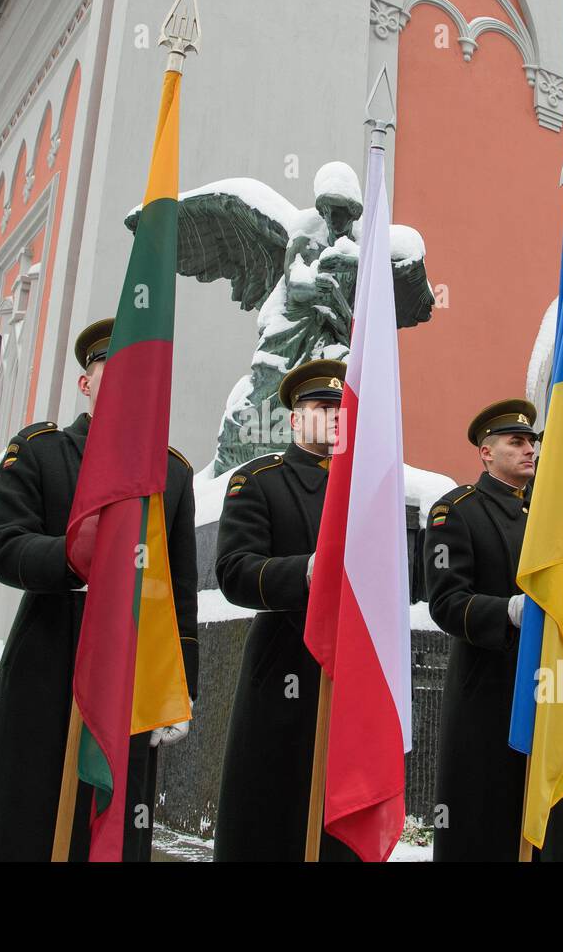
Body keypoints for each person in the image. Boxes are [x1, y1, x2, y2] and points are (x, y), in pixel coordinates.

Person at [0, 317, 197, 862]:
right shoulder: (41, 451)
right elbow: (3, 547)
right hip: (48, 654)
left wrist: (182, 687)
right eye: (109, 364)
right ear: (86, 383)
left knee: (112, 817)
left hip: (132, 667)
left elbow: (178, 591)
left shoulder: (172, 473)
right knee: (28, 811)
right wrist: (67, 556)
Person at [213, 358, 358, 861]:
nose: (335, 416)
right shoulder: (260, 480)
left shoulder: (365, 488)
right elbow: (234, 571)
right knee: (272, 811)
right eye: (322, 408)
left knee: (339, 819)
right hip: (284, 667)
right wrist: (305, 572)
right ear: (295, 420)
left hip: (352, 670)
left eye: (342, 408)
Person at [423, 399, 563, 861]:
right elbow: (446, 602)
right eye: (517, 442)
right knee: (485, 819)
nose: (530, 449)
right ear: (486, 453)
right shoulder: (457, 512)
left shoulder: (546, 518)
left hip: (548, 690)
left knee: (547, 825)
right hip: (487, 690)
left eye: (532, 441)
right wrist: (507, 611)